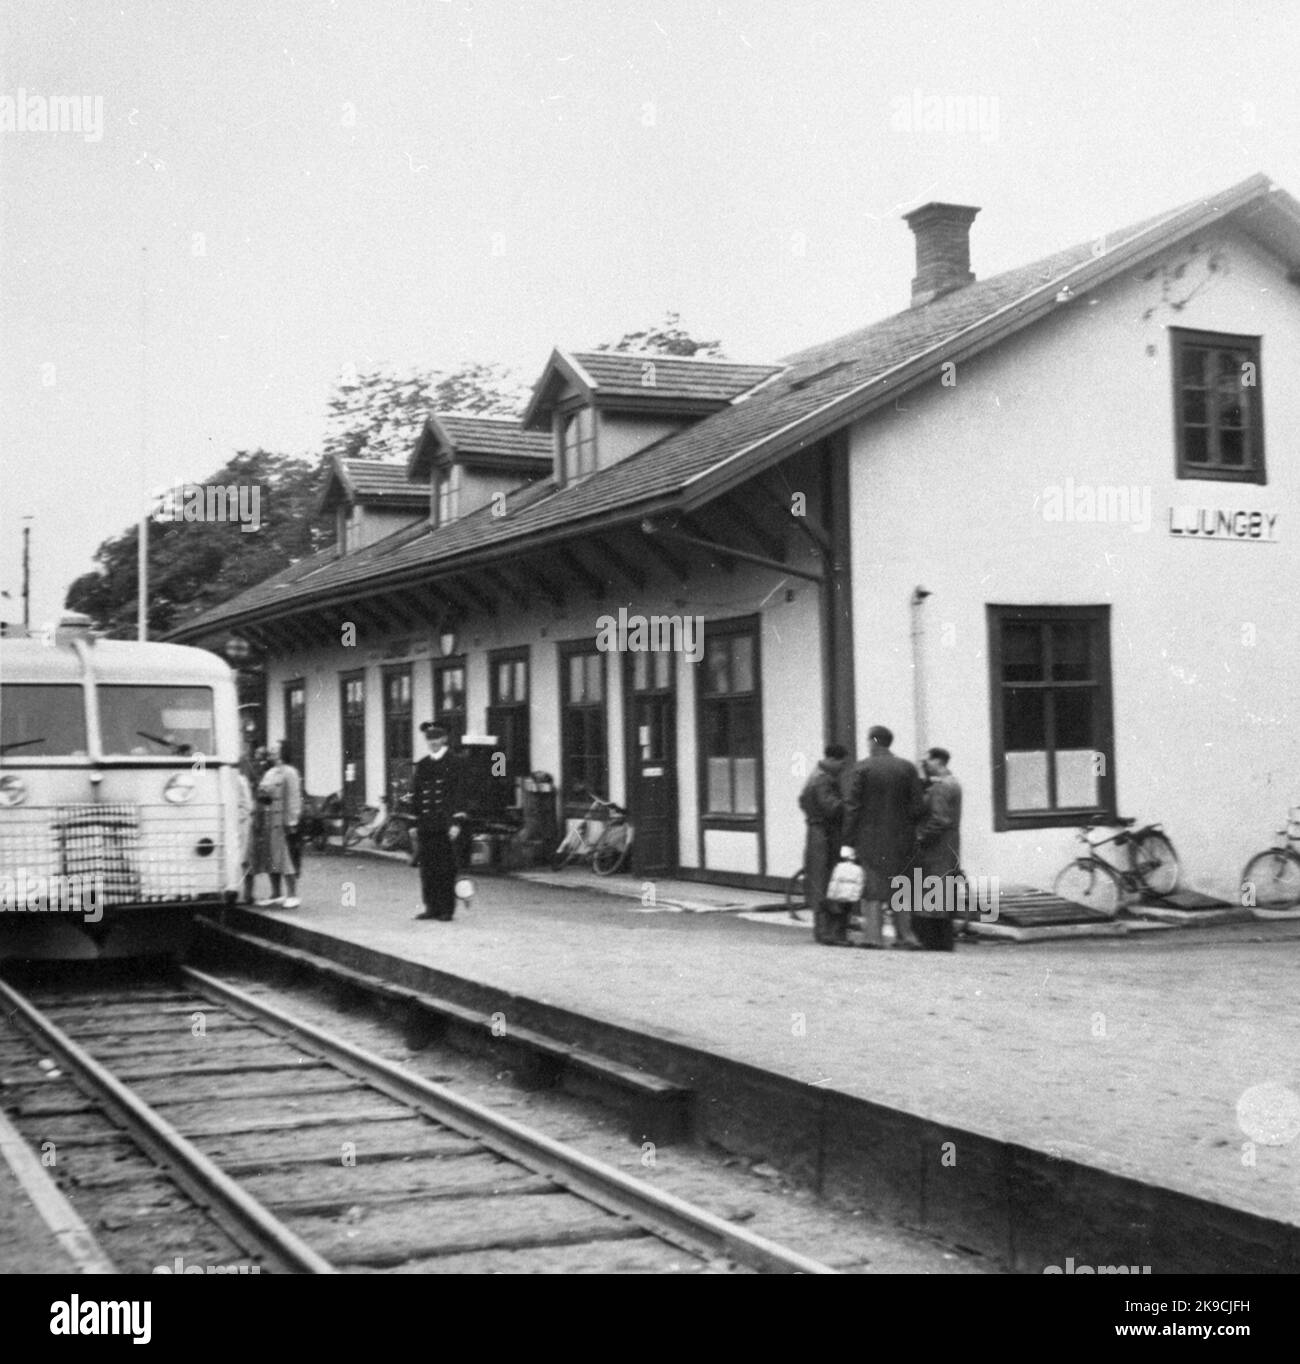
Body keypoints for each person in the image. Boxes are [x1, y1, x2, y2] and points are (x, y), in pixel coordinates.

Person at [841, 724, 926, 949]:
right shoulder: (907, 768)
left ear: (872, 741)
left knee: (873, 887)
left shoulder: (863, 768)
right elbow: (919, 807)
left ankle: (873, 937)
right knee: (902, 885)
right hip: (902, 838)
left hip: (869, 838)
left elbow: (852, 807)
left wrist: (848, 841)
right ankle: (905, 936)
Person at [411, 721, 468, 921]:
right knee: (427, 868)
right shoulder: (423, 764)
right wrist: (414, 823)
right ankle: (431, 907)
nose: (433, 743)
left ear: (444, 739)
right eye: (429, 740)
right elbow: (417, 795)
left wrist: (456, 822)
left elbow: (459, 794)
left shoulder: (455, 762)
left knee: (446, 868)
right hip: (427, 823)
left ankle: (446, 909)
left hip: (445, 823)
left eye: (436, 739)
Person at [914, 747, 963, 951]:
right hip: (950, 842)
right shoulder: (953, 783)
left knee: (934, 887)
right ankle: (943, 940)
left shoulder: (941, 787)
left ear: (938, 762)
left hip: (937, 844)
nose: (924, 765)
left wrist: (920, 836)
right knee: (944, 887)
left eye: (927, 761)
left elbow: (939, 819)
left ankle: (934, 941)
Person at [799, 743, 849, 945]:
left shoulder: (815, 775)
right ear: (833, 760)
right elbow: (831, 807)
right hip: (825, 834)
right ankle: (828, 932)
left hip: (816, 832)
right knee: (826, 879)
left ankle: (823, 931)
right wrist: (848, 804)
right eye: (842, 763)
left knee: (820, 879)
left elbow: (802, 800)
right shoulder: (823, 779)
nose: (843, 767)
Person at [255, 743, 303, 909]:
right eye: (271, 750)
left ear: (283, 752)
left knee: (286, 858)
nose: (271, 752)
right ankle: (276, 893)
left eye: (275, 750)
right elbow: (262, 793)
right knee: (271, 858)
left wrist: (292, 821)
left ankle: (292, 894)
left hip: (282, 820)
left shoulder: (289, 772)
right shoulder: (270, 772)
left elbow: (294, 798)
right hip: (269, 818)